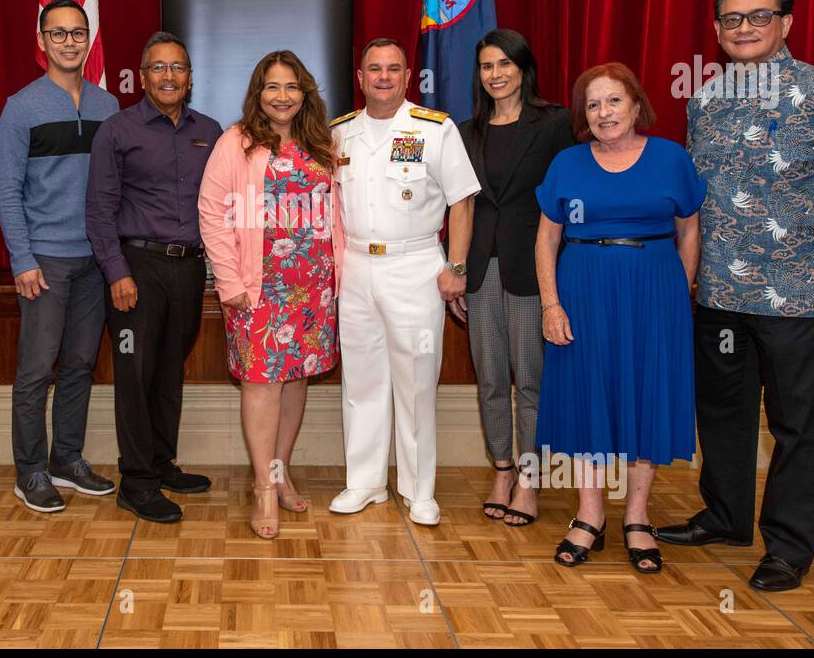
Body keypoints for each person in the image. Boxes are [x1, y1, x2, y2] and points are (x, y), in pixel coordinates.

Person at [657, 0, 814, 591]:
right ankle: (726, 516)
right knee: (724, 413)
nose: (744, 29)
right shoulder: (704, 101)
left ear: (786, 22)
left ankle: (787, 546)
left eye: (758, 17)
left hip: (801, 296)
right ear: (716, 30)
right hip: (718, 294)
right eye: (732, 19)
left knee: (797, 425)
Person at [535, 63, 704, 572]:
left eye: (613, 101)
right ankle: (590, 514)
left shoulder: (672, 158)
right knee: (588, 398)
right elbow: (546, 237)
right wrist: (550, 303)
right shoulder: (567, 163)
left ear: (636, 105)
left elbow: (689, 230)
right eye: (592, 104)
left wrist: (681, 290)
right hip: (582, 291)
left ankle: (636, 516)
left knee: (644, 396)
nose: (603, 112)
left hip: (654, 291)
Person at [330, 38, 480, 526]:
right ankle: (365, 482)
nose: (384, 77)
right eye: (374, 68)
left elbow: (462, 200)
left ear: (408, 76)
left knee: (416, 381)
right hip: (354, 267)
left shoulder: (434, 129)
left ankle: (420, 491)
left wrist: (455, 267)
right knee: (362, 379)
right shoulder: (340, 134)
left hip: (415, 267)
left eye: (393, 68)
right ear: (360, 77)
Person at [198, 50, 344, 539]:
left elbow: (340, 212)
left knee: (297, 378)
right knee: (263, 382)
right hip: (258, 287)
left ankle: (280, 473)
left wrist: (341, 275)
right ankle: (263, 487)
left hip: (314, 287)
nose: (282, 97)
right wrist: (229, 283)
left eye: (292, 87)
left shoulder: (322, 142)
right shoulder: (235, 142)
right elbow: (213, 215)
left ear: (305, 93)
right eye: (272, 87)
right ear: (258, 94)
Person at [86, 32, 223, 523]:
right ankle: (137, 481)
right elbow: (99, 209)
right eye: (158, 68)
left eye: (178, 67)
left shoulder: (209, 130)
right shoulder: (117, 130)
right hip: (135, 269)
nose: (169, 76)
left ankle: (162, 464)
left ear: (190, 77)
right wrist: (116, 273)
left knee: (169, 369)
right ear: (142, 77)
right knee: (134, 373)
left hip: (188, 269)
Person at [0, 0, 119, 513]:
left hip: (96, 261)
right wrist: (22, 258)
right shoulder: (20, 107)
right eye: (58, 33)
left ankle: (68, 458)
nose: (69, 41)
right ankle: (31, 470)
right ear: (41, 42)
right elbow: (7, 190)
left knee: (80, 365)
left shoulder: (108, 106)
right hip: (44, 260)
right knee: (35, 369)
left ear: (88, 41)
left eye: (78, 33)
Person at [453, 29, 573, 526]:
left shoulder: (555, 122)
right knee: (491, 381)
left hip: (534, 271)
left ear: (523, 68)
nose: (496, 74)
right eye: (486, 66)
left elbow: (568, 199)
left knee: (531, 382)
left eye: (504, 64)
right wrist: (458, 268)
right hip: (482, 270)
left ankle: (530, 479)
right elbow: (460, 206)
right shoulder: (466, 131)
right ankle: (501, 469)